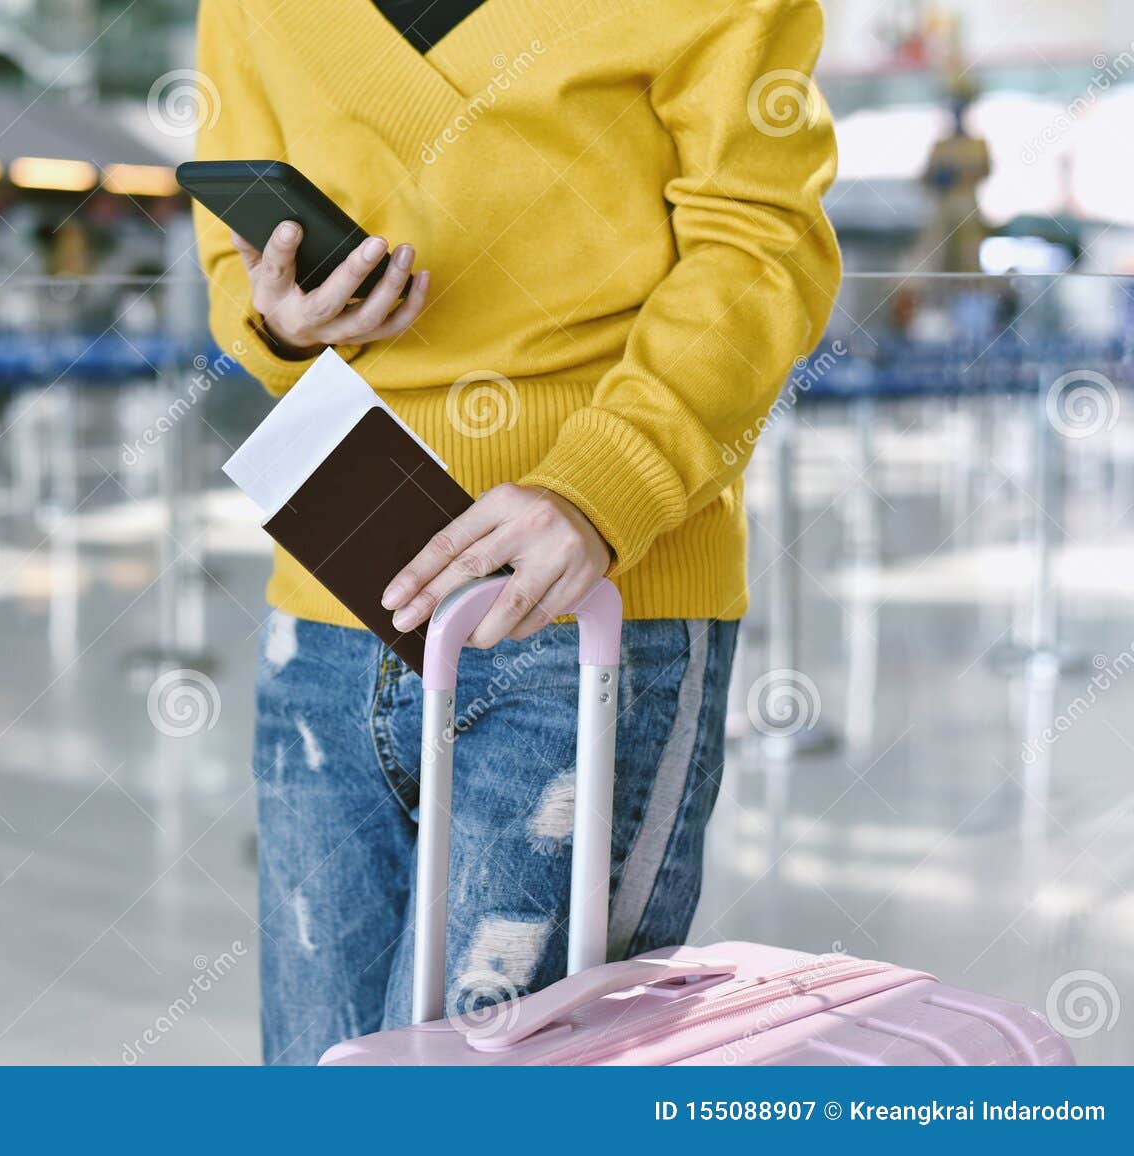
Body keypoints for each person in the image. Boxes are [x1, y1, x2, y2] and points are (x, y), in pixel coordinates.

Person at [193, 0, 842, 1065]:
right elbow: (236, 263)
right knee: (316, 1085)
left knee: (492, 1094)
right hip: (328, 584)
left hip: (589, 597)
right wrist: (281, 323)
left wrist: (601, 484)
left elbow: (761, 246)